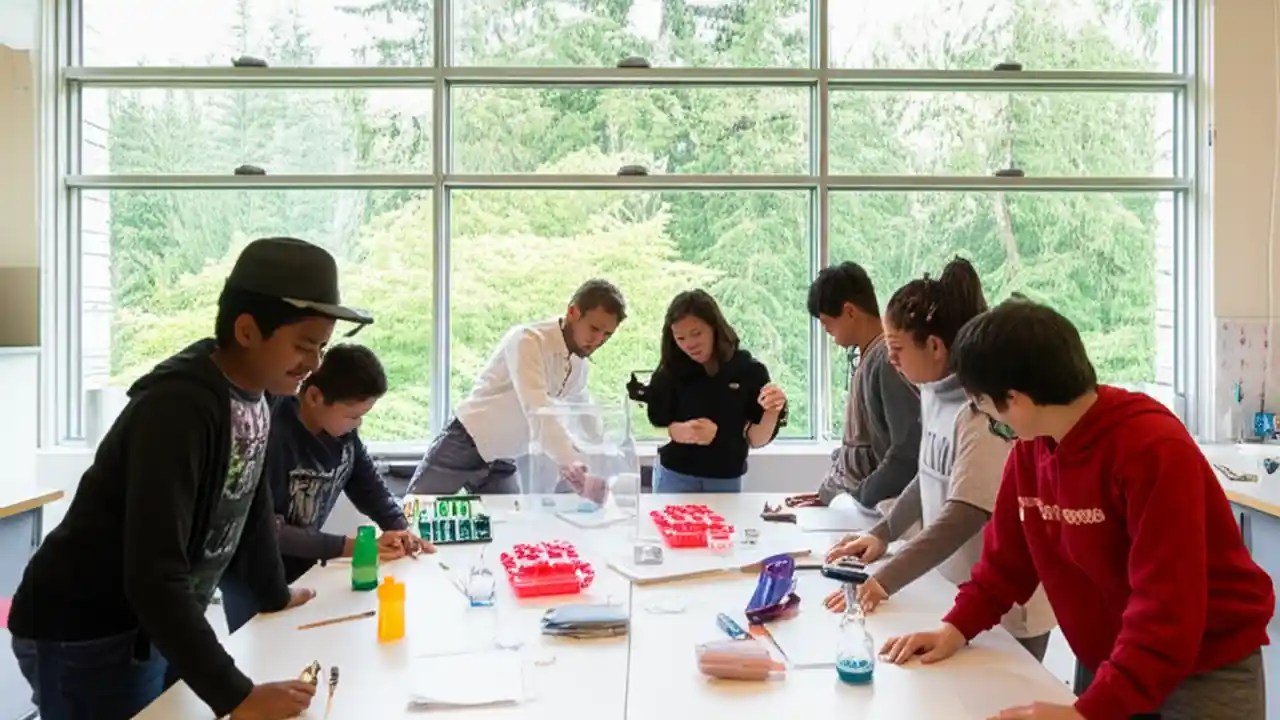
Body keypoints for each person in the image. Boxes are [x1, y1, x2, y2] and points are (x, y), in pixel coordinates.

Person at [8, 237, 373, 720]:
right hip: (89, 629)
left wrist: (274, 593)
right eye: (305, 346)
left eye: (322, 348)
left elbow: (251, 505)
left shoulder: (262, 400)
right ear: (247, 330)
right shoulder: (180, 407)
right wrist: (236, 695)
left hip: (157, 623)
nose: (314, 365)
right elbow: (153, 572)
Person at [880, 300, 1275, 720]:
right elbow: (1005, 566)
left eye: (992, 414)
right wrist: (954, 628)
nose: (998, 427)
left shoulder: (1150, 449)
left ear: (1015, 400)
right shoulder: (1031, 452)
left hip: (1204, 666)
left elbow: (1167, 611)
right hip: (1116, 656)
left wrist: (1090, 712)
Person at [821, 258, 1056, 661]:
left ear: (934, 346)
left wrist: (884, 580)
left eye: (896, 348)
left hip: (1005, 603)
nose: (890, 360)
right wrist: (883, 532)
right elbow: (929, 473)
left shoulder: (982, 409)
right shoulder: (932, 390)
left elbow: (964, 514)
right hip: (956, 589)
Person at [219, 344, 433, 634]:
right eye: (352, 415)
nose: (358, 423)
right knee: (261, 652)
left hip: (302, 570)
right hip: (253, 575)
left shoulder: (342, 435)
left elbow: (368, 485)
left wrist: (400, 528)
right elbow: (269, 530)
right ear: (314, 397)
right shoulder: (271, 435)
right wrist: (353, 547)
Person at [409, 279, 626, 496]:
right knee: (412, 516)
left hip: (503, 457)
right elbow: (538, 410)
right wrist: (571, 464)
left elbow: (582, 415)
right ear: (572, 312)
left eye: (607, 335)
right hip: (464, 444)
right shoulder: (528, 341)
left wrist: (602, 460)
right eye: (594, 328)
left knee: (511, 527)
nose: (598, 340)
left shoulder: (579, 363)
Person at [787, 261, 921, 513]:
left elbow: (906, 450)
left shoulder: (886, 361)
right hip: (858, 503)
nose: (827, 332)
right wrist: (830, 490)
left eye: (827, 323)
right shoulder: (869, 357)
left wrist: (859, 496)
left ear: (849, 311)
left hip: (876, 509)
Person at [626, 289, 787, 493]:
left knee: (725, 524)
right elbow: (657, 422)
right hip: (675, 474)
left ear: (714, 328)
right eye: (680, 338)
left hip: (725, 476)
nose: (690, 344)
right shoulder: (670, 371)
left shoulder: (748, 370)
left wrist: (772, 410)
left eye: (696, 334)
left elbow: (756, 439)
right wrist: (676, 431)